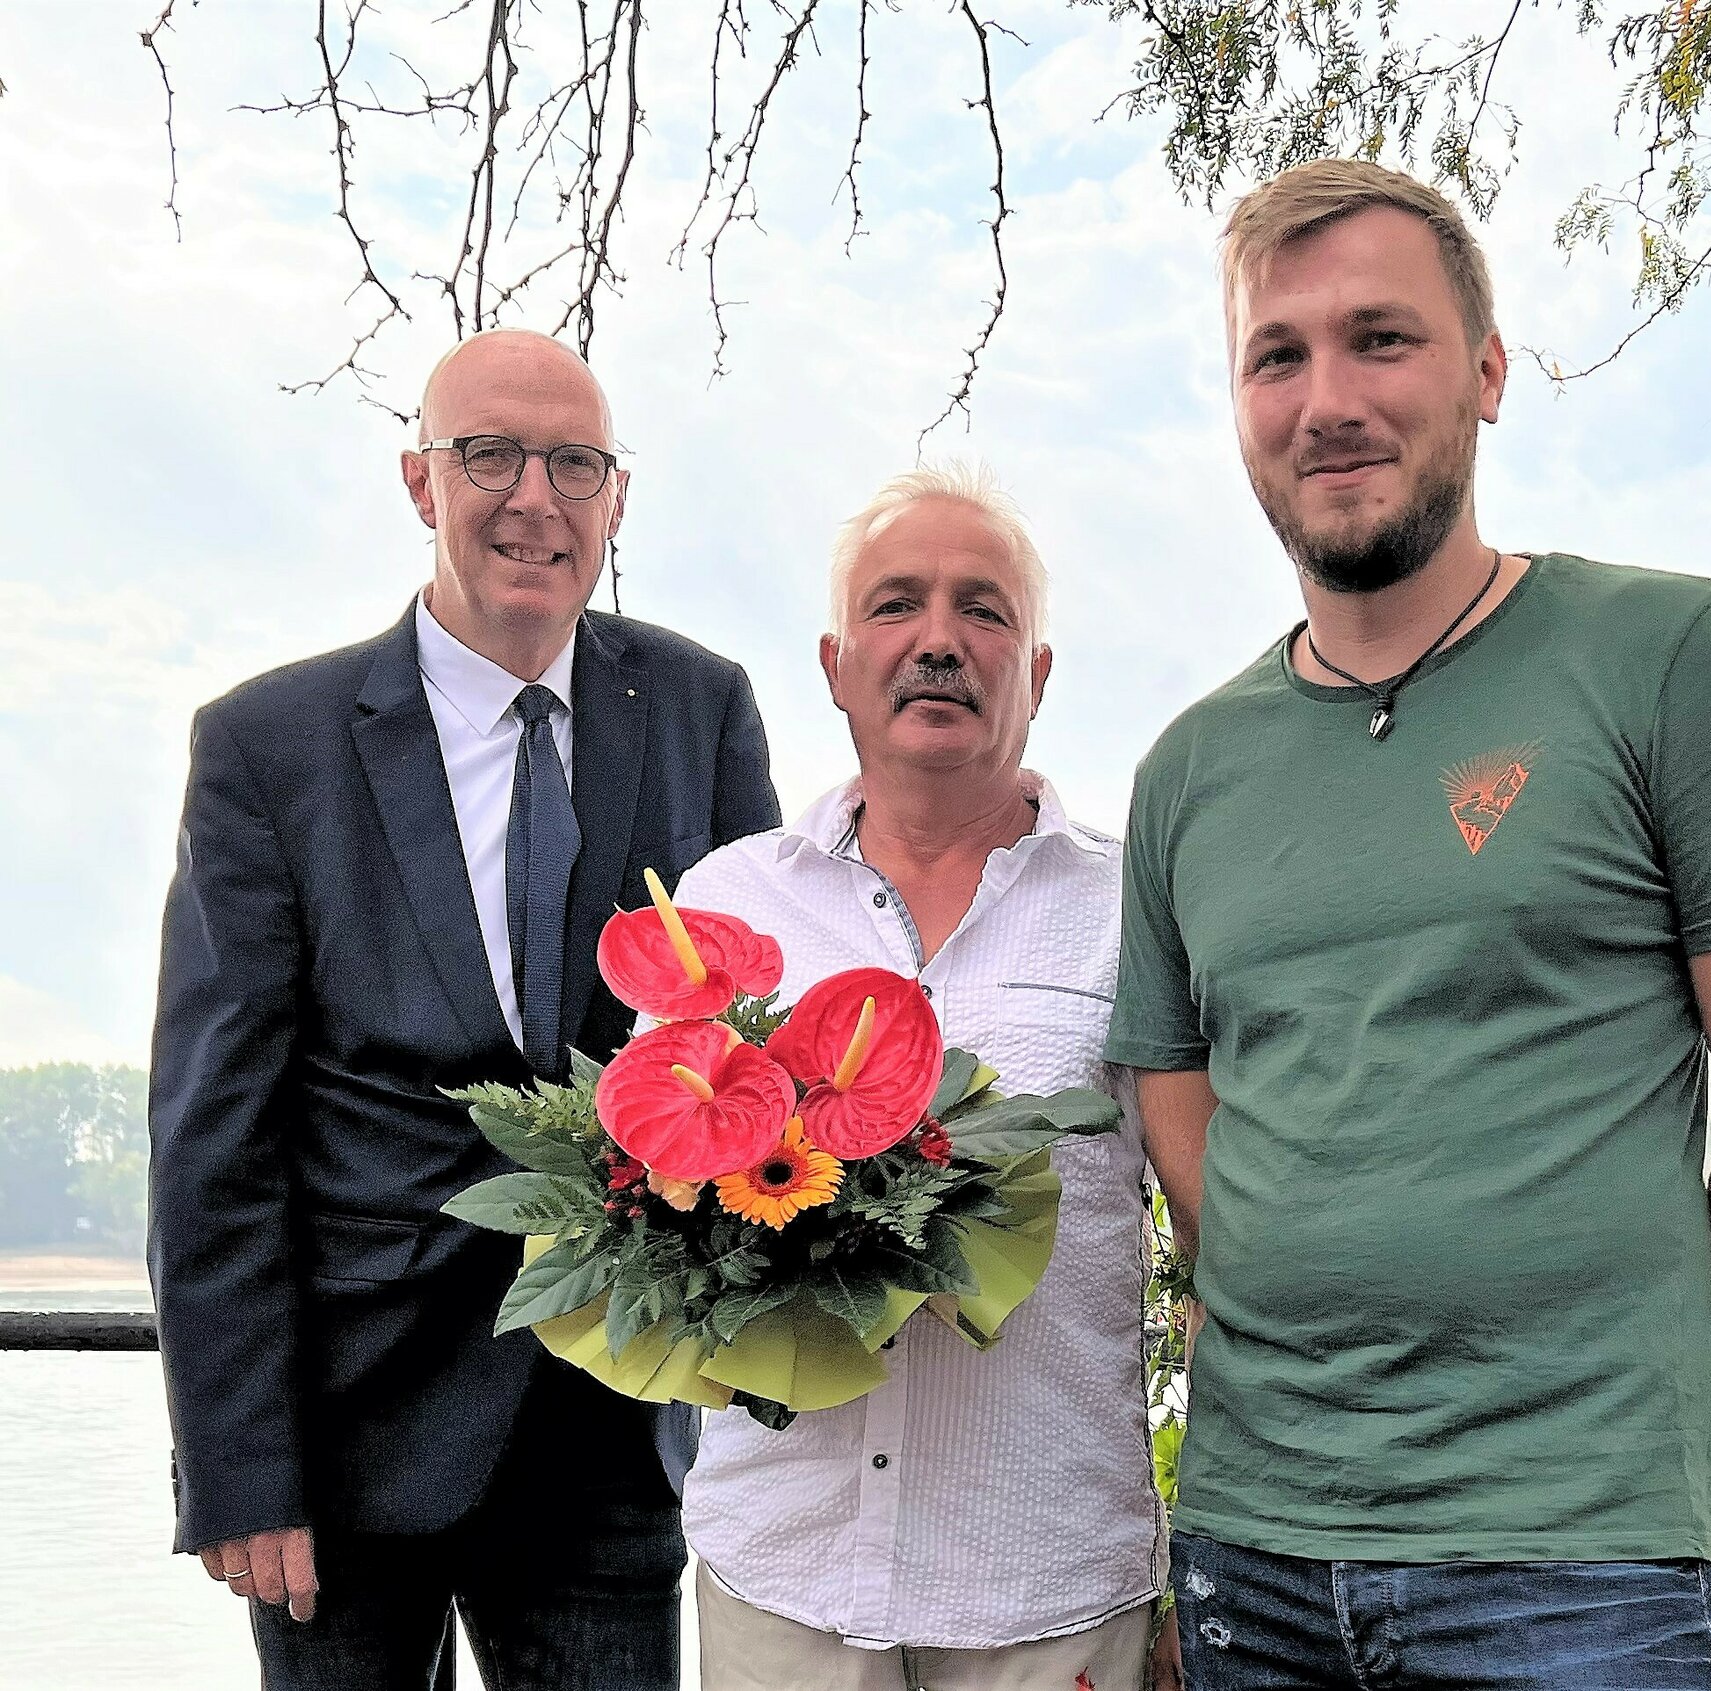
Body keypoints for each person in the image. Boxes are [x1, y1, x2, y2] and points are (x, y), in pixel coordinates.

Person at [1104, 159, 1711, 1690]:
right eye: (1280, 354)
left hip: (1573, 1571)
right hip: (1252, 1551)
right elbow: (1181, 1110)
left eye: (1380, 338)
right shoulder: (1190, 767)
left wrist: (1684, 1472)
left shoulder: (1668, 658)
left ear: (1489, 371)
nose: (1328, 395)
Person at [147, 328, 780, 1689]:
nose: (533, 498)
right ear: (419, 482)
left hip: (611, 1424)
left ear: (618, 496)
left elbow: (756, 1049)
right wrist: (239, 1463)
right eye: (489, 453)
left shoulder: (699, 707)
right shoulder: (271, 747)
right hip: (340, 1443)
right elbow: (215, 1131)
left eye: (575, 463)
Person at [661, 462, 1172, 1690]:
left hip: (1046, 1588)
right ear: (835, 664)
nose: (938, 639)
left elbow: (1214, 1225)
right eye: (898, 604)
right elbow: (660, 1205)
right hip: (780, 1576)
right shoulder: (729, 905)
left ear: (1035, 675)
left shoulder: (1135, 910)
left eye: (983, 610)